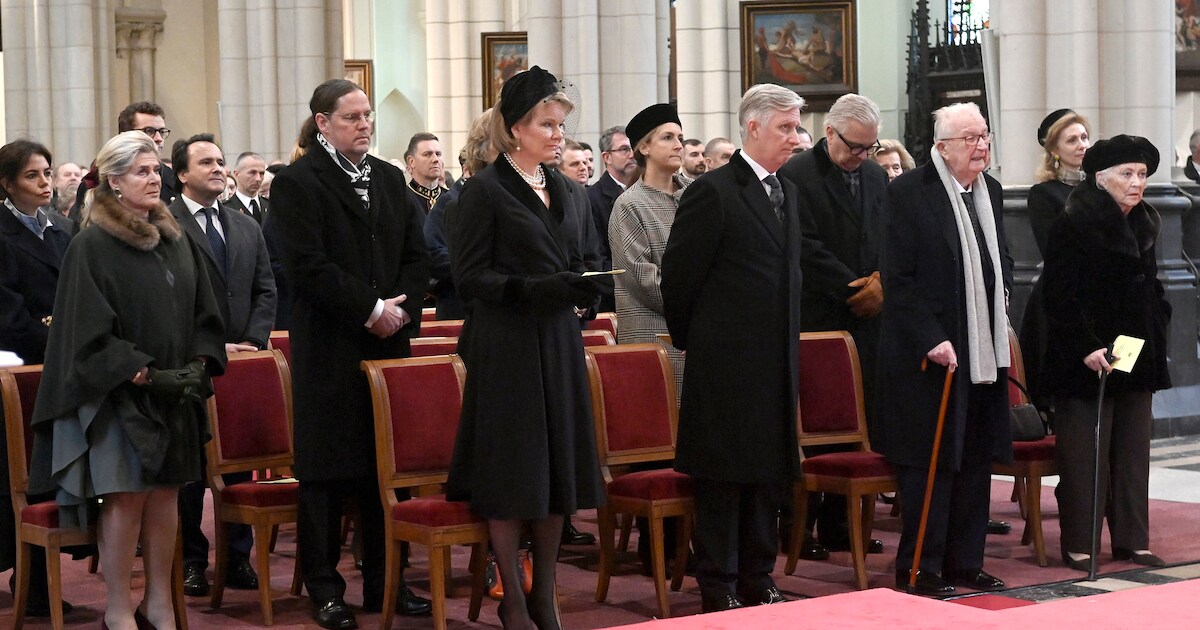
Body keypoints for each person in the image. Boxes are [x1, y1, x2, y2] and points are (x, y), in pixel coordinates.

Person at [29, 131, 227, 630]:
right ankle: (118, 607)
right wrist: (141, 371)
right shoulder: (91, 245)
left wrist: (198, 363)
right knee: (126, 496)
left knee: (166, 496)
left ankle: (158, 602)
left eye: (155, 169)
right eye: (141, 171)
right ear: (114, 181)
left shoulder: (176, 239)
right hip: (119, 396)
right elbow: (84, 329)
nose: (154, 178)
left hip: (175, 394)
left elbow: (206, 311)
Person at [446, 65, 607, 630]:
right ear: (515, 128)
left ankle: (545, 594)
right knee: (514, 470)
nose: (559, 135)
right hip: (507, 345)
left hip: (557, 341)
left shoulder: (568, 189)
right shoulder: (485, 190)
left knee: (556, 470)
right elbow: (470, 278)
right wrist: (536, 289)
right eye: (547, 125)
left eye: (561, 125)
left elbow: (578, 261)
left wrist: (584, 293)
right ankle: (513, 596)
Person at [271, 79, 432, 629]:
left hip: (389, 342)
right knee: (325, 473)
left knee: (383, 469)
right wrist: (370, 307)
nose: (364, 124)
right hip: (331, 344)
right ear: (323, 123)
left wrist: (400, 310)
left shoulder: (387, 177)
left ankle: (387, 581)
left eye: (367, 116)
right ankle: (325, 588)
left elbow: (417, 254)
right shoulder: (297, 183)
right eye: (351, 117)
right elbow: (306, 266)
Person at [661, 83, 805, 613]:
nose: (796, 137)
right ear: (753, 126)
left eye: (797, 127)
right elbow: (680, 279)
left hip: (776, 361)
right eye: (785, 127)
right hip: (725, 363)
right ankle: (718, 582)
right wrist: (700, 343)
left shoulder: (788, 190)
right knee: (723, 479)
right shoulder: (714, 191)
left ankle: (757, 576)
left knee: (767, 476)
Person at [878, 102, 1013, 597]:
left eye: (984, 136)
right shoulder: (909, 193)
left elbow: (1001, 260)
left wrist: (1001, 301)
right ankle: (921, 567)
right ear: (941, 147)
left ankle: (965, 563)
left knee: (975, 459)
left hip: (981, 349)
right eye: (970, 138)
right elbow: (898, 278)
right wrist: (931, 337)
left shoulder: (990, 191)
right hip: (930, 355)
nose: (981, 146)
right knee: (932, 465)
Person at [1039, 134, 1171, 572]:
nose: (1137, 183)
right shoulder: (1074, 221)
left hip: (1136, 350)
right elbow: (1058, 296)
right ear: (1100, 178)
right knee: (1086, 455)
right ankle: (1081, 543)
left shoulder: (1144, 220)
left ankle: (1133, 540)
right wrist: (1085, 346)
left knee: (1132, 451)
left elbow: (1149, 285)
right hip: (1088, 355)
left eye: (1142, 174)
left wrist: (1158, 320)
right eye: (1126, 174)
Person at [778, 93, 888, 560]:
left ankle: (842, 525)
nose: (861, 155)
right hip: (818, 317)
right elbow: (803, 244)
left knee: (856, 421)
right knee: (815, 423)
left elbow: (884, 233)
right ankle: (798, 527)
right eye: (854, 146)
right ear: (829, 132)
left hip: (868, 319)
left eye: (869, 147)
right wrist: (850, 288)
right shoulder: (796, 175)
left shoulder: (877, 175)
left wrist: (880, 281)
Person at [169, 134, 277, 598]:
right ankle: (192, 561)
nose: (218, 169)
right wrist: (212, 346)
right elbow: (171, 297)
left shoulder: (245, 225)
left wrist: (252, 340)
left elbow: (265, 289)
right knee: (192, 472)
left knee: (239, 465)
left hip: (243, 361)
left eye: (220, 161)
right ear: (181, 174)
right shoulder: (167, 224)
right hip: (194, 361)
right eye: (206, 163)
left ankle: (236, 559)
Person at [0, 139, 76, 618]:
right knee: (18, 477)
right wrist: (57, 340)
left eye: (47, 172)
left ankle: (39, 577)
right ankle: (24, 576)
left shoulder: (61, 229)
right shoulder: (2, 232)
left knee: (49, 474)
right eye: (33, 175)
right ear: (7, 184)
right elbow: (8, 313)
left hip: (58, 369)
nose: (45, 183)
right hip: (22, 368)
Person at [1029, 109, 1092, 258]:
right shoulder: (1043, 194)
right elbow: (1052, 250)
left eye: (1084, 137)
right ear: (1054, 150)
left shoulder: (1099, 186)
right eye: (1072, 140)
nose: (1082, 145)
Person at [405, 132, 447, 212]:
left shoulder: (452, 199)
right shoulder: (402, 199)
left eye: (438, 154)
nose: (435, 159)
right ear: (411, 161)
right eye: (427, 154)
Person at [227, 151, 269, 224]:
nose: (258, 179)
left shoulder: (270, 206)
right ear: (237, 174)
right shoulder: (226, 209)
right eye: (252, 173)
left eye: (261, 173)